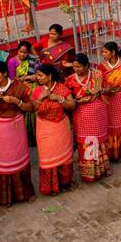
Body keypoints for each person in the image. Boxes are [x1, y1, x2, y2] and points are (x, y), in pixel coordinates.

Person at [0, 62, 35, 207]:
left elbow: (31, 107)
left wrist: (17, 101)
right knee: (2, 163)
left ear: (4, 73)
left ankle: (26, 193)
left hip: (16, 129)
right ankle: (6, 198)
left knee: (20, 159)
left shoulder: (18, 86)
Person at [30, 63, 76, 194]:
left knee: (64, 155)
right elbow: (32, 108)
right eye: (37, 75)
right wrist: (41, 98)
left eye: (40, 75)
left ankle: (65, 182)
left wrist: (59, 98)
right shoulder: (37, 91)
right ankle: (50, 186)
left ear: (49, 76)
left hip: (61, 126)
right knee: (47, 155)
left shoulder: (61, 88)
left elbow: (72, 106)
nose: (37, 78)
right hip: (44, 128)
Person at [66, 52, 111, 180]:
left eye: (79, 66)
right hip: (80, 114)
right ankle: (88, 173)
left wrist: (100, 90)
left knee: (99, 140)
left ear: (87, 65)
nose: (77, 69)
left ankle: (101, 169)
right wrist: (78, 101)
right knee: (85, 141)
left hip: (97, 112)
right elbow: (69, 99)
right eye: (74, 67)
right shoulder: (69, 80)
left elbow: (109, 90)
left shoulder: (97, 75)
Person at [100, 42, 121, 159]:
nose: (103, 54)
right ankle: (114, 151)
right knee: (113, 125)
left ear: (113, 52)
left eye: (105, 52)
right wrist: (106, 90)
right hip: (110, 100)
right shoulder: (102, 67)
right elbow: (101, 85)